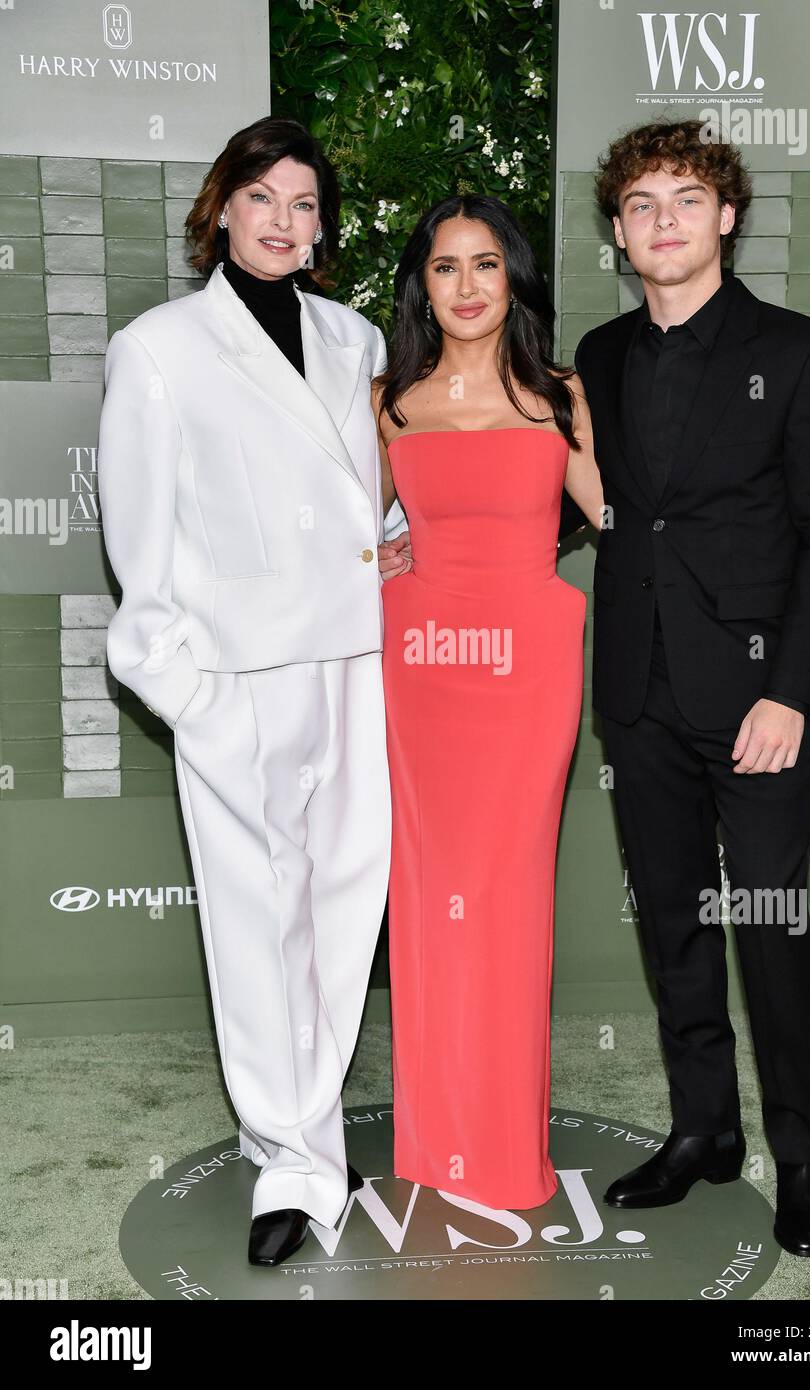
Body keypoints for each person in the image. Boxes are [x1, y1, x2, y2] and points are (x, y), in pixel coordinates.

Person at [97, 116, 402, 1267]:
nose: (284, 220)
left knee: (338, 914)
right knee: (253, 928)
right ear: (222, 207)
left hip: (357, 669)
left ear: (323, 225)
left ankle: (312, 1136)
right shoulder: (160, 348)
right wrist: (193, 695)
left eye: (305, 203)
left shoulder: (357, 334)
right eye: (263, 197)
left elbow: (386, 503)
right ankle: (286, 1159)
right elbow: (142, 545)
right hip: (238, 681)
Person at [557, 120, 810, 1257]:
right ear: (621, 232)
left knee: (770, 931)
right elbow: (578, 503)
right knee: (675, 925)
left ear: (725, 215)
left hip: (755, 700)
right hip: (636, 688)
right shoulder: (597, 355)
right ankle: (703, 1132)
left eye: (685, 198)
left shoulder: (797, 351)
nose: (664, 220)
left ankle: (803, 1157)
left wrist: (789, 693)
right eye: (641, 205)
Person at [374, 195, 605, 1210]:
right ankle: (435, 1139)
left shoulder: (561, 393)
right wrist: (379, 548)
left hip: (527, 667)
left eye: (484, 265)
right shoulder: (384, 398)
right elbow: (336, 518)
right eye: (443, 268)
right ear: (421, 285)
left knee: (507, 897)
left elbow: (622, 516)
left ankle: (503, 1142)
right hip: (417, 659)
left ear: (512, 279)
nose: (466, 287)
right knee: (428, 896)